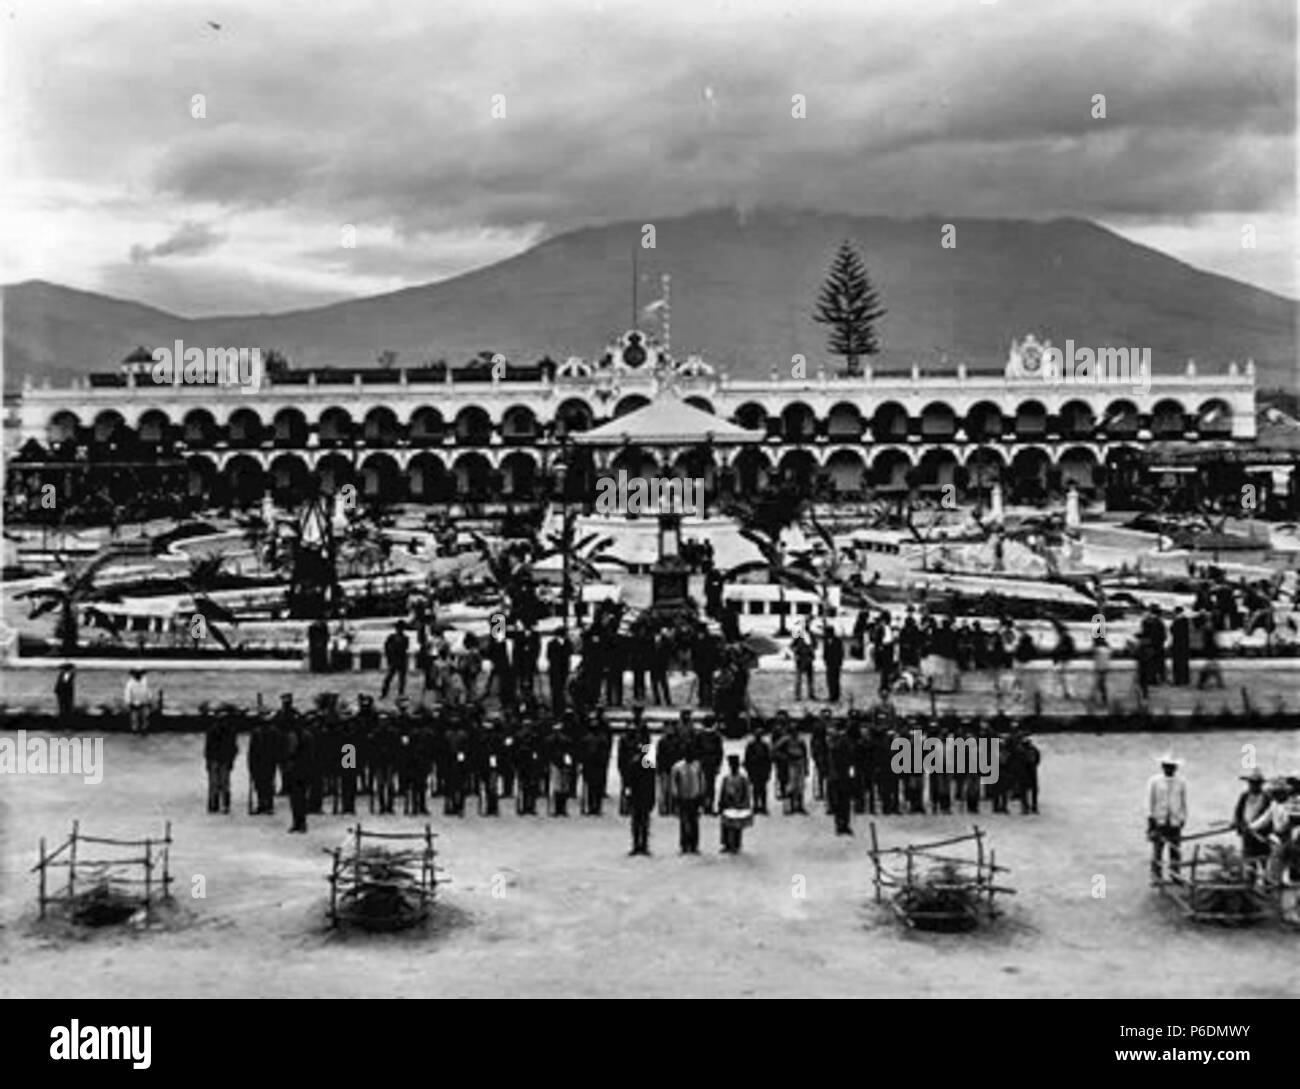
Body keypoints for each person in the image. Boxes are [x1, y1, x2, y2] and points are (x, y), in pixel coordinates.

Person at [1248, 779, 1296, 886]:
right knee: (1277, 858)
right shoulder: (1274, 805)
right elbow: (1265, 818)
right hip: (1278, 834)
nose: (1276, 795)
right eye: (1275, 793)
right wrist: (1251, 826)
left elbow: (1291, 820)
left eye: (1279, 792)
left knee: (1284, 858)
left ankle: (1282, 880)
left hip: (1291, 834)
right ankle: (1276, 881)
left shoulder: (1292, 804)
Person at [1147, 754, 1187, 881]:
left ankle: (1175, 875)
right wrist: (1151, 820)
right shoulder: (1155, 781)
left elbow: (1183, 801)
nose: (1169, 769)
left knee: (1175, 849)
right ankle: (1156, 875)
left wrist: (1183, 818)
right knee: (1158, 849)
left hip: (1175, 820)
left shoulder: (1181, 782)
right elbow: (1150, 801)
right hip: (1160, 820)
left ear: (1176, 768)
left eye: (1172, 767)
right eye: (1167, 766)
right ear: (1163, 767)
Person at [1233, 768, 1271, 878]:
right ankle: (1250, 884)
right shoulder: (1244, 796)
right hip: (1247, 834)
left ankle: (1266, 885)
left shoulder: (1266, 798)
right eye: (1251, 783)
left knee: (1263, 860)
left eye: (1255, 784)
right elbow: (1238, 811)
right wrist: (1239, 824)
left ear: (1260, 785)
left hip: (1261, 835)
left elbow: (1268, 817)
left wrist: (1264, 831)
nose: (1253, 786)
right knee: (1249, 861)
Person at [670, 741, 706, 854]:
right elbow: (674, 783)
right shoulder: (677, 767)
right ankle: (684, 845)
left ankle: (694, 845)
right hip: (683, 798)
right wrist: (676, 797)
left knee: (694, 822)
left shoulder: (697, 766)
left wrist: (701, 795)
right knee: (684, 822)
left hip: (695, 797)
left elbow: (702, 781)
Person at [626, 727, 657, 856]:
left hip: (642, 794)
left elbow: (651, 780)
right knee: (638, 822)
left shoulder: (646, 761)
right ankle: (638, 845)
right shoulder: (639, 761)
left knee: (642, 822)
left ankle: (641, 845)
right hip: (638, 794)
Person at [203, 710, 238, 814]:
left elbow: (233, 747)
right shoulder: (213, 731)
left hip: (222, 760)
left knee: (222, 784)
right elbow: (208, 747)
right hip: (217, 759)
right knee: (217, 784)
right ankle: (216, 804)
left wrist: (231, 759)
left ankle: (221, 804)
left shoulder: (229, 731)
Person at [717, 754, 754, 854]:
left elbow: (746, 793)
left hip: (739, 804)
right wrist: (720, 804)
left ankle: (736, 844)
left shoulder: (742, 779)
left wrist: (745, 804)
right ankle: (727, 844)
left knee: (737, 825)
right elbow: (722, 791)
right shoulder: (726, 778)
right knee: (726, 825)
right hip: (727, 804)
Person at [744, 728, 773, 815]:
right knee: (755, 789)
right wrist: (749, 770)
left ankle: (763, 806)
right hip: (754, 769)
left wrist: (768, 771)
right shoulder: (751, 745)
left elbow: (768, 759)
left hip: (762, 769)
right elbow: (747, 759)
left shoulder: (765, 746)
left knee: (763, 789)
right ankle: (756, 805)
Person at [380, 620, 409, 700]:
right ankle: (384, 693)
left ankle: (401, 693)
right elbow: (386, 647)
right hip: (395, 660)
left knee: (401, 679)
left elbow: (405, 648)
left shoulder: (405, 638)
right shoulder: (392, 637)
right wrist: (389, 657)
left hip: (401, 659)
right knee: (389, 678)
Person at [547, 631, 571, 716]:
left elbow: (569, 653)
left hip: (563, 669)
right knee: (555, 690)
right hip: (555, 670)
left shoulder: (567, 643)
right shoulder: (552, 644)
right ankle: (556, 708)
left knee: (562, 688)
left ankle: (562, 706)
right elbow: (550, 656)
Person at [125, 669, 152, 734]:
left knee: (145, 717)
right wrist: (129, 702)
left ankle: (144, 729)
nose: (138, 675)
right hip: (134, 703)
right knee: (134, 718)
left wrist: (149, 700)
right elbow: (127, 693)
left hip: (144, 702)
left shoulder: (145, 682)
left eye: (139, 674)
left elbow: (148, 692)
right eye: (137, 673)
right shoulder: (130, 683)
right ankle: (135, 730)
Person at [822, 625, 844, 703]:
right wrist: (825, 660)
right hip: (829, 663)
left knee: (836, 680)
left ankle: (836, 696)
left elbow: (841, 653)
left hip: (836, 664)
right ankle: (831, 695)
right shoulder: (825, 641)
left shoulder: (838, 641)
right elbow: (825, 652)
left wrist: (839, 662)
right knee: (829, 680)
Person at [1170, 607, 1191, 686]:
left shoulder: (1178, 621)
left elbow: (1173, 631)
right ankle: (1185, 680)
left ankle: (1178, 680)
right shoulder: (1185, 621)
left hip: (1178, 645)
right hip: (1184, 646)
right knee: (1184, 663)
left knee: (1177, 663)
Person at [792, 631, 816, 701]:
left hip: (808, 660)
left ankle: (811, 694)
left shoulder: (811, 635)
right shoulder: (799, 635)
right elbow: (792, 646)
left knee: (810, 679)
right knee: (798, 680)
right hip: (800, 660)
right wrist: (796, 653)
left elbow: (814, 645)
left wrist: (811, 652)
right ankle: (797, 695)